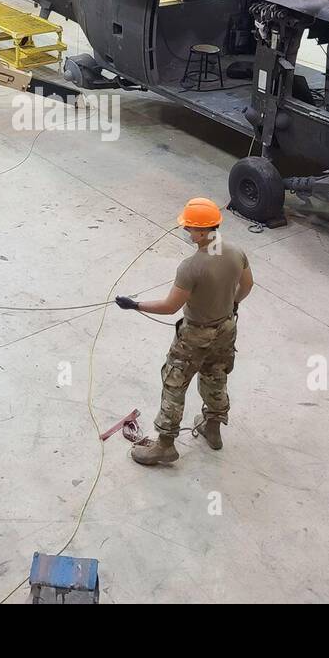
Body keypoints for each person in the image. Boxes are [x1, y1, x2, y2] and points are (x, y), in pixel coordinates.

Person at [115, 197, 253, 466]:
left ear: (202, 231)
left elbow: (170, 307)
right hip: (226, 328)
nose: (186, 231)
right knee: (215, 375)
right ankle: (212, 428)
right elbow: (247, 285)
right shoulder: (236, 251)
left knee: (174, 382)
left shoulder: (191, 267)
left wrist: (135, 305)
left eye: (189, 228)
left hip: (195, 335)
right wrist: (232, 302)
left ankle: (165, 445)